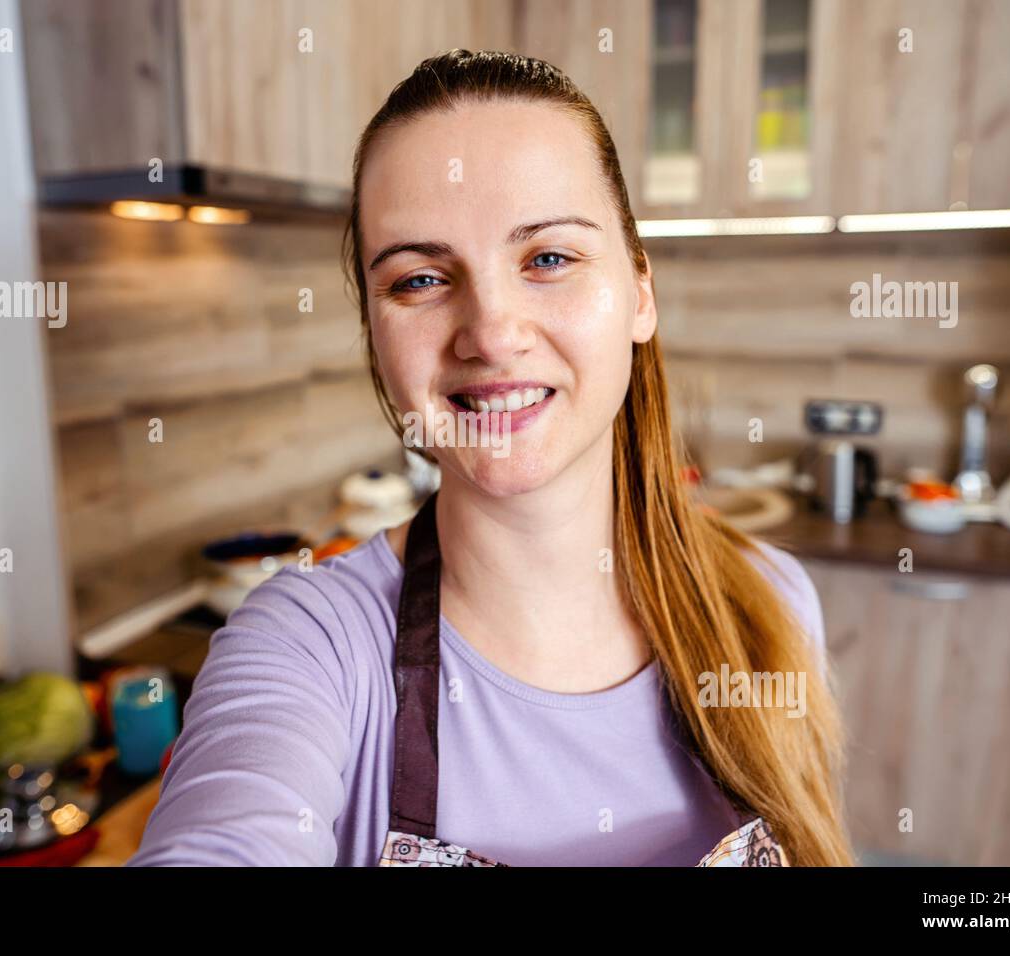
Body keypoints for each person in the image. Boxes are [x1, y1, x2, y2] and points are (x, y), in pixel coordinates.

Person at [129, 49, 853, 867]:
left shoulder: (769, 603)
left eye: (548, 258)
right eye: (421, 279)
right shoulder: (310, 646)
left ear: (641, 293)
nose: (492, 332)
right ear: (374, 332)